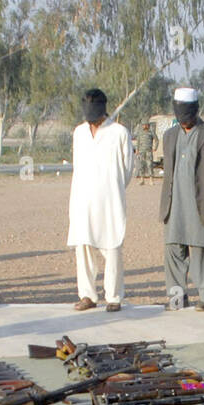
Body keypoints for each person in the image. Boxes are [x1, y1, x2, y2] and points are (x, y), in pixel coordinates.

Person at [66, 89, 131, 313]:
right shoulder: (79, 133)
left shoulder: (119, 132)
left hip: (110, 201)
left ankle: (113, 297)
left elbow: (127, 169)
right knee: (83, 247)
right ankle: (87, 295)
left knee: (112, 248)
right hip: (82, 200)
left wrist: (111, 187)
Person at [160, 87, 204, 312]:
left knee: (201, 251)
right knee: (174, 250)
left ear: (196, 109)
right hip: (174, 205)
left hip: (200, 205)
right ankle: (177, 298)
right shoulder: (169, 136)